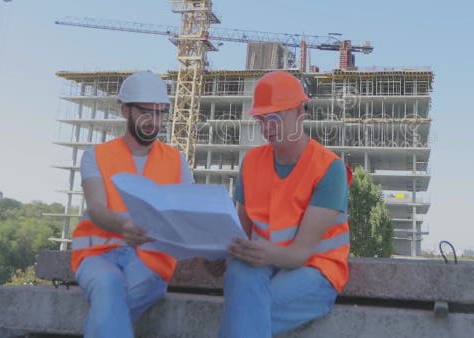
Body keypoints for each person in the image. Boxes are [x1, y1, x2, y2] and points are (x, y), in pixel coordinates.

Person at [219, 70, 352, 337]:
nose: (267, 128)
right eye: (261, 120)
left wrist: (254, 253)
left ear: (300, 112)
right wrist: (220, 251)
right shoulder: (251, 163)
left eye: (274, 118)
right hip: (264, 265)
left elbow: (299, 254)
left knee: (248, 310)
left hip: (316, 271)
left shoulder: (329, 169)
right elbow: (242, 233)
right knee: (238, 273)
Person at [69, 71, 195, 338]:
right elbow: (96, 208)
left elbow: (189, 213)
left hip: (151, 259)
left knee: (113, 299)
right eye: (146, 112)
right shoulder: (96, 156)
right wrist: (124, 225)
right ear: (125, 110)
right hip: (97, 254)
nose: (154, 121)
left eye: (160, 112)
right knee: (109, 282)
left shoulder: (176, 161)